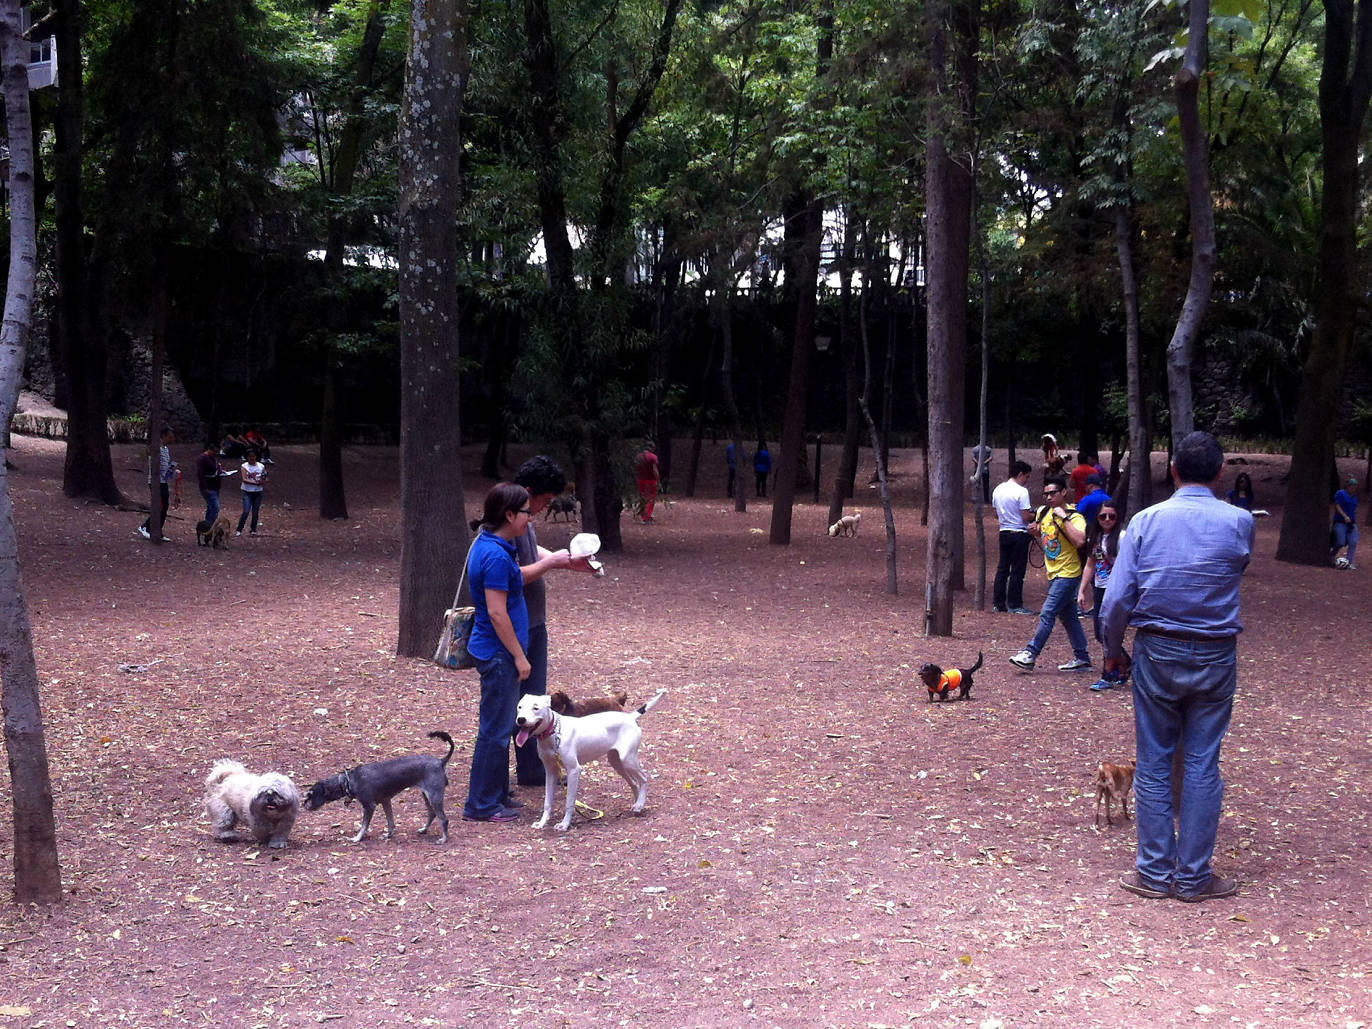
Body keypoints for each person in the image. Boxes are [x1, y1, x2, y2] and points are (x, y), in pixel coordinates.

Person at [1102, 431, 1254, 903]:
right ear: (1220, 472)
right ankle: (1193, 878)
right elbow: (1233, 567)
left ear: (1172, 471)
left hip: (1157, 650)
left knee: (1152, 761)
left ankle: (1153, 873)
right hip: (1215, 652)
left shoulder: (1145, 522)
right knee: (1204, 761)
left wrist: (1112, 648)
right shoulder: (1240, 522)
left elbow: (1117, 600)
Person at [461, 483, 571, 823]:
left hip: (500, 653)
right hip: (498, 655)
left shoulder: (496, 544)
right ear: (509, 515)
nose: (530, 517)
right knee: (495, 730)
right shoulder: (494, 554)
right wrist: (520, 657)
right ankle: (481, 804)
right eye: (525, 512)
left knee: (501, 726)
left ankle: (496, 794)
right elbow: (496, 612)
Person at [509, 456, 595, 794]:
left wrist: (566, 562)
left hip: (534, 622)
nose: (545, 508)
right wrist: (553, 563)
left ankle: (534, 768)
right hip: (517, 625)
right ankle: (496, 784)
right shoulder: (510, 519)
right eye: (544, 501)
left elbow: (533, 552)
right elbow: (513, 572)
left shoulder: (525, 520)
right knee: (513, 704)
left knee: (535, 699)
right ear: (529, 493)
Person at [1008, 475, 1093, 673]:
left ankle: (1030, 653)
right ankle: (1082, 658)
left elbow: (1081, 540)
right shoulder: (1044, 512)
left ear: (1064, 492)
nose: (1048, 497)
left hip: (1069, 573)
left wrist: (1063, 517)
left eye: (1053, 493)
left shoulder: (1074, 516)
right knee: (1069, 617)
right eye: (1046, 494)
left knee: (1047, 613)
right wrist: (1035, 530)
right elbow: (1045, 532)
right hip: (1053, 573)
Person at [1078, 499, 1125, 692]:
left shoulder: (1122, 537)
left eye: (1111, 516)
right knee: (1100, 632)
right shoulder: (1095, 537)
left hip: (1115, 590)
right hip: (1099, 587)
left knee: (1108, 632)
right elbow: (1091, 564)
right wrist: (1081, 590)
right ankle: (1124, 664)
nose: (1107, 520)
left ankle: (1109, 674)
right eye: (1103, 516)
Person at [992, 460, 1036, 614]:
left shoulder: (998, 489)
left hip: (1004, 531)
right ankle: (1015, 604)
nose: (1027, 480)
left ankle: (998, 603)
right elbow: (1025, 516)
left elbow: (996, 513)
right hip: (1019, 533)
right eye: (1027, 477)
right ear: (1020, 474)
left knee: (1003, 568)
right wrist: (1035, 515)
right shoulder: (1021, 492)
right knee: (1017, 570)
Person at [138, 427, 178, 542]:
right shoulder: (156, 449)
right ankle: (145, 526)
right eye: (169, 437)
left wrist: (172, 470)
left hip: (164, 481)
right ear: (163, 436)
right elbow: (154, 464)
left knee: (165, 507)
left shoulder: (166, 449)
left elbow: (166, 465)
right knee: (159, 507)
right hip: (156, 482)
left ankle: (158, 531)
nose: (171, 439)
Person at [196, 442, 233, 525]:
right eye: (215, 452)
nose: (216, 454)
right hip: (208, 487)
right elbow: (200, 474)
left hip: (215, 486)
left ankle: (207, 524)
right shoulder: (203, 458)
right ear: (209, 450)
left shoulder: (213, 457)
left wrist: (220, 471)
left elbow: (214, 468)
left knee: (211, 507)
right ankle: (211, 525)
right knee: (215, 507)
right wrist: (204, 487)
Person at [235, 448, 267, 537]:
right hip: (247, 491)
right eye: (250, 456)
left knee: (255, 511)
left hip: (258, 492)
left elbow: (264, 476)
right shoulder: (244, 466)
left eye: (253, 456)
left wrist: (263, 481)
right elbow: (244, 479)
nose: (251, 458)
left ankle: (253, 529)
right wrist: (255, 483)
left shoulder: (261, 466)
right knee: (246, 511)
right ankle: (239, 529)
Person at [1330, 475, 1359, 570]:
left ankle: (1349, 562)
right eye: (1352, 487)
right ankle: (1332, 554)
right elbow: (1337, 505)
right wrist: (1344, 516)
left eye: (1355, 487)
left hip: (1351, 522)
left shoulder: (1355, 497)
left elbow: (1354, 508)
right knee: (1340, 541)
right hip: (1341, 521)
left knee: (1353, 542)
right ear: (1348, 486)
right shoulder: (1341, 493)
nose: (1353, 489)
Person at [635, 442, 660, 523]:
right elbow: (654, 469)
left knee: (642, 497)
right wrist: (658, 480)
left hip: (640, 479)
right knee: (651, 498)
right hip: (651, 480)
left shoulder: (638, 457)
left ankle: (642, 515)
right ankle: (647, 516)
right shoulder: (653, 457)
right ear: (652, 448)